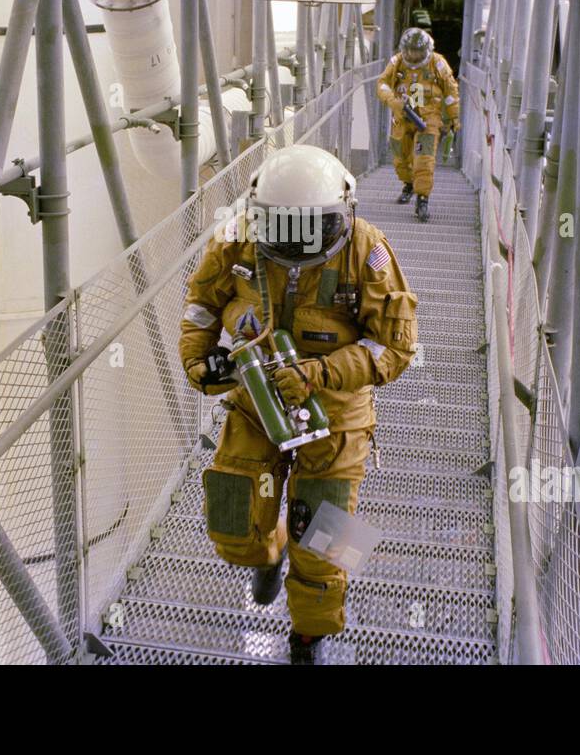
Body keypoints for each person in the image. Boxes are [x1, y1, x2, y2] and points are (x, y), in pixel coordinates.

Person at [179, 145, 418, 664]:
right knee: (231, 524)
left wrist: (320, 373)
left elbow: (395, 346)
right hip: (254, 405)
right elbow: (201, 304)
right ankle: (271, 549)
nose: (294, 243)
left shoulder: (367, 250)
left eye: (312, 229)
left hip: (336, 414)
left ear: (343, 211)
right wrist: (199, 360)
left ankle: (310, 636)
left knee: (329, 545)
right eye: (282, 228)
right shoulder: (235, 241)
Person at [376, 27, 460, 221]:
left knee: (424, 158)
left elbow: (451, 92)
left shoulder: (437, 63)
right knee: (399, 157)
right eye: (410, 51)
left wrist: (453, 118)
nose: (414, 55)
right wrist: (392, 100)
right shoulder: (396, 62)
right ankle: (408, 184)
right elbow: (382, 84)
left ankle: (422, 198)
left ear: (426, 50)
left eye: (418, 51)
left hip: (428, 119)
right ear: (404, 49)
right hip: (402, 116)